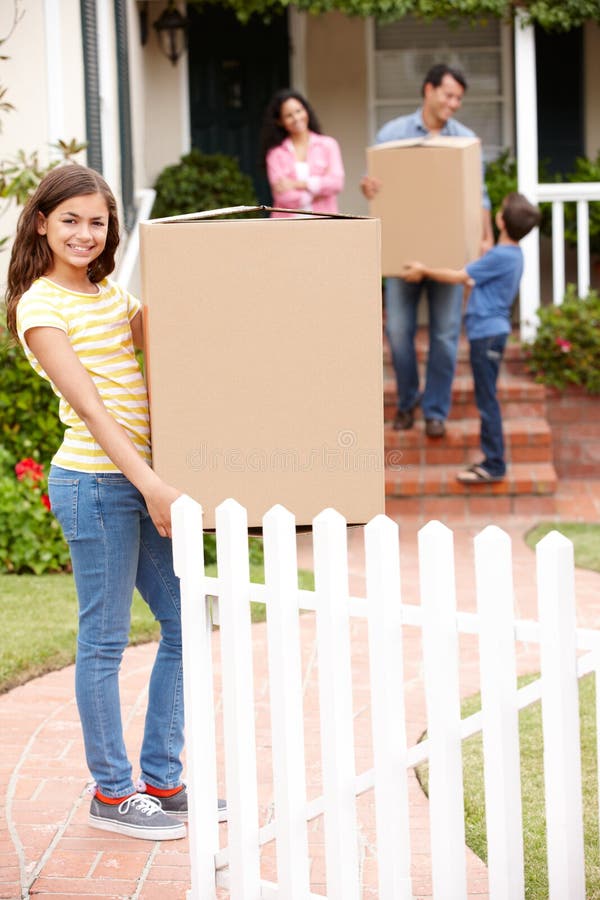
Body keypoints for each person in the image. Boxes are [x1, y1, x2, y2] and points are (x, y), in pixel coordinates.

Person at [4, 164, 226, 840]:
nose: (84, 233)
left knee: (188, 621)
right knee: (102, 639)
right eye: (70, 219)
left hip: (137, 481)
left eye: (96, 222)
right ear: (42, 221)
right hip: (97, 485)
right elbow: (94, 409)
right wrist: (152, 484)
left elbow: (165, 349)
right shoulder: (39, 305)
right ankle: (112, 791)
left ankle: (162, 778)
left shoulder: (111, 296)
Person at [361, 63, 493, 438]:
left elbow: (478, 196)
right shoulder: (392, 134)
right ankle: (407, 403)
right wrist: (370, 188)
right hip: (404, 252)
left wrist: (484, 240)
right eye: (448, 95)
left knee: (445, 335)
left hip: (447, 254)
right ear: (428, 90)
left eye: (458, 99)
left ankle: (435, 410)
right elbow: (380, 189)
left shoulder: (465, 140)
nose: (453, 104)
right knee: (399, 332)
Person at [402, 191, 541, 483]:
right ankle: (493, 459)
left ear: (502, 221)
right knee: (486, 397)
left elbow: (458, 276)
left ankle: (494, 464)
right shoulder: (511, 254)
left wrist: (423, 269)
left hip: (487, 336)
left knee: (487, 400)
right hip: (492, 334)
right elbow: (480, 272)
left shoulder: (501, 256)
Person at [260, 88, 345, 217]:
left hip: (324, 224)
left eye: (298, 111)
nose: (296, 118)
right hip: (287, 227)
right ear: (280, 121)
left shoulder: (328, 145)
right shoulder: (275, 154)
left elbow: (336, 183)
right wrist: (318, 191)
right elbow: (284, 196)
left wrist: (297, 184)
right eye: (289, 115)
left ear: (306, 110)